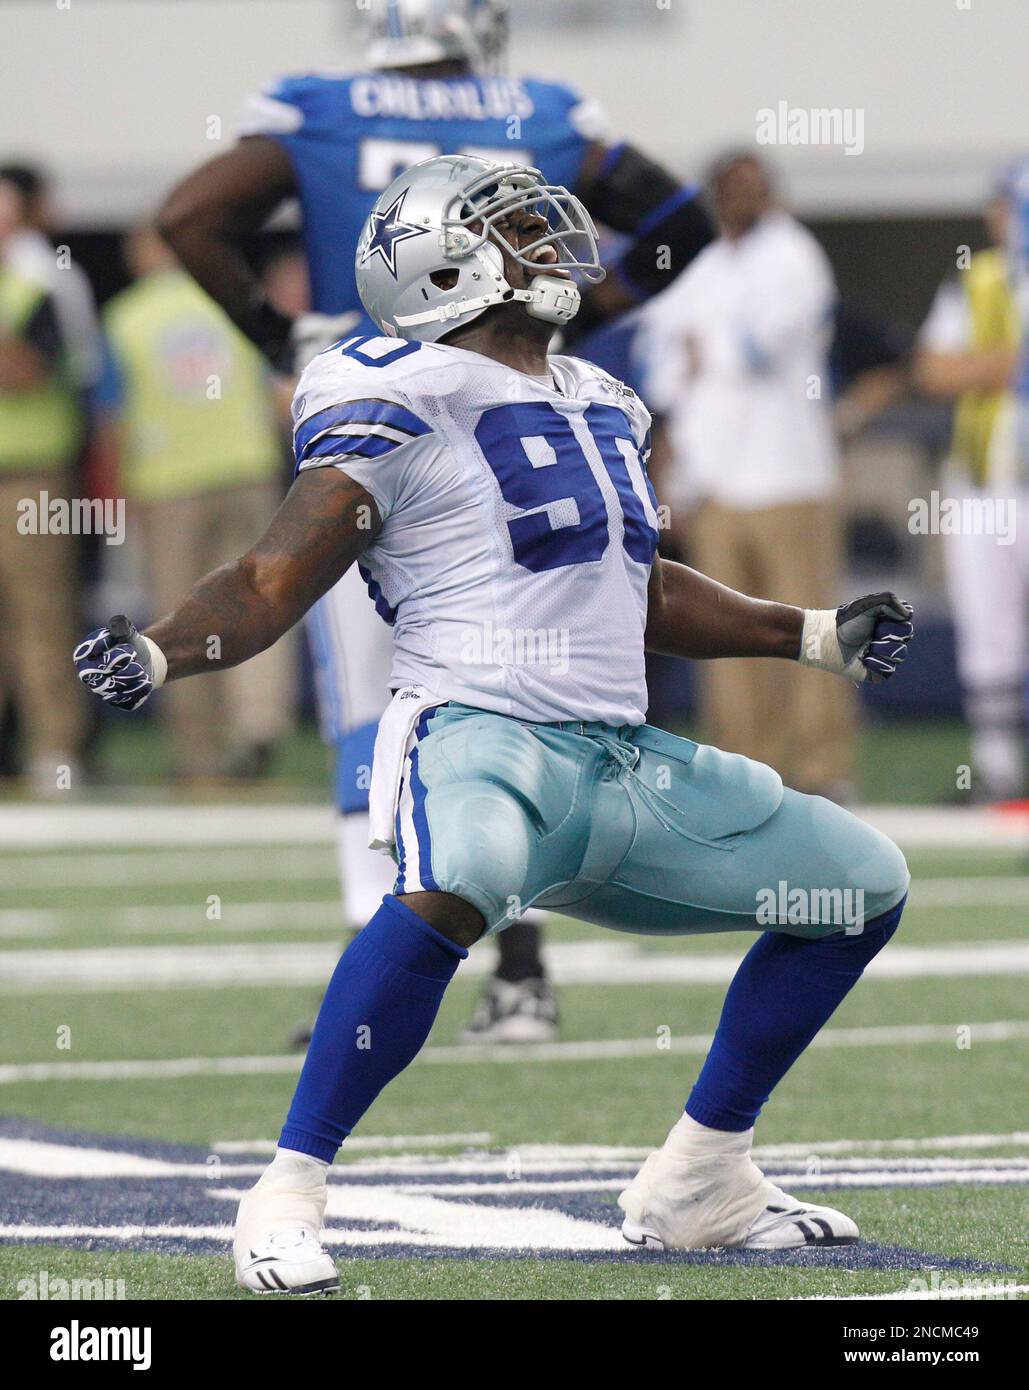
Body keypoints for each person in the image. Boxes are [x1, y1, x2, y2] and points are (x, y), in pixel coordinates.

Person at [75, 156, 913, 1294]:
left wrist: (809, 631)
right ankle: (284, 1193)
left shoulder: (600, 397)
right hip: (480, 735)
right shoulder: (389, 385)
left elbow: (641, 584)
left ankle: (702, 1177)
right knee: (457, 874)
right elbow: (273, 577)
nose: (552, 246)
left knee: (860, 880)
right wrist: (161, 644)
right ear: (441, 266)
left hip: (622, 759)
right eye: (518, 230)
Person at [156, 0, 713, 1043]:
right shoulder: (543, 110)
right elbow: (687, 223)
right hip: (517, 436)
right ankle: (524, 978)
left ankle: (377, 984)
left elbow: (188, 217)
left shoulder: (321, 109)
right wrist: (582, 316)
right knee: (523, 697)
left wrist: (280, 334)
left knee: (376, 707)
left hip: (381, 428)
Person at [643, 151, 852, 799]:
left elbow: (762, 347)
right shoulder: (700, 264)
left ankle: (822, 770)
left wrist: (707, 350)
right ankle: (745, 766)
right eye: (730, 188)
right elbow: (660, 364)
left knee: (811, 630)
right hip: (712, 480)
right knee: (723, 632)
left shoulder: (794, 254)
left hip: (788, 474)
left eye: (754, 187)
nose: (743, 199)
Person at [96, 227, 293, 781]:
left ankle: (200, 752)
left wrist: (113, 493)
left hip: (169, 482)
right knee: (259, 600)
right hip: (247, 470)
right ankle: (258, 724)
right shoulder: (230, 302)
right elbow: (279, 391)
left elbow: (113, 417)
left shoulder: (126, 316)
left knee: (177, 617)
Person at [914, 177, 1025, 801]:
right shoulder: (979, 277)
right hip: (987, 479)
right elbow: (933, 367)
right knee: (988, 625)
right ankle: (998, 768)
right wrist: (1002, 364)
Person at [0, 180, 87, 793]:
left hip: (29, 475)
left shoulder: (41, 282)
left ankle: (56, 750)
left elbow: (35, 369)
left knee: (42, 615)